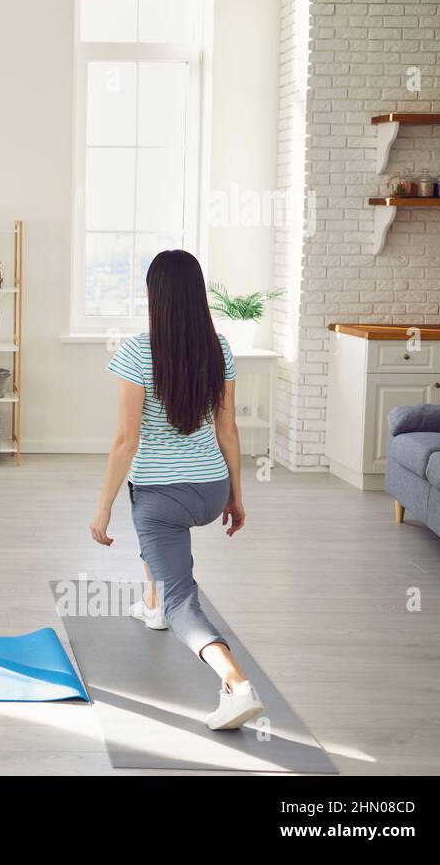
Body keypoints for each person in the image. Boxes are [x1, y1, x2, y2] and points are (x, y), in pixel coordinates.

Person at [89, 249, 263, 731]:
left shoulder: (136, 351)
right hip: (210, 488)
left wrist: (101, 508)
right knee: (155, 529)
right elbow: (229, 428)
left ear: (154, 296)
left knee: (181, 596)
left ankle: (237, 685)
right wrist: (236, 494)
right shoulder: (220, 347)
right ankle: (150, 604)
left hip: (162, 498)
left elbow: (127, 441)